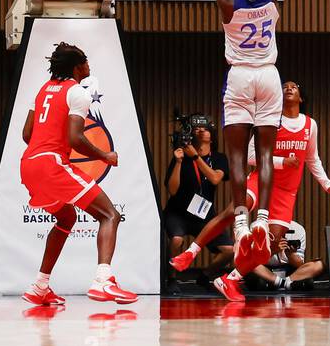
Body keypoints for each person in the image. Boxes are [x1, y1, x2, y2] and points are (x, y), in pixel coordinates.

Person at [172, 81, 330, 301]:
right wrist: (282, 161)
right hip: (260, 181)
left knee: (270, 246)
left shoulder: (310, 125)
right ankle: (190, 253)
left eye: (294, 86)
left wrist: (327, 184)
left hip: (286, 192)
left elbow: (312, 158)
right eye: (284, 87)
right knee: (233, 211)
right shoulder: (271, 122)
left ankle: (230, 279)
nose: (289, 88)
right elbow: (251, 156)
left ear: (301, 98)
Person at [18, 42, 137, 305]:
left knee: (66, 217)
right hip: (51, 164)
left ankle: (39, 286)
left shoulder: (41, 92)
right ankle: (103, 280)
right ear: (78, 66)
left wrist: (44, 150)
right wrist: (104, 155)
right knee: (109, 214)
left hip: (28, 164)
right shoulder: (77, 93)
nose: (89, 66)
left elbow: (27, 135)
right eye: (86, 62)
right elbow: (75, 138)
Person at [207, 0, 282, 274]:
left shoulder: (227, 3)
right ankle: (264, 217)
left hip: (239, 77)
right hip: (268, 77)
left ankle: (240, 218)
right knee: (266, 154)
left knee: (237, 155)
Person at [162, 121, 226, 258]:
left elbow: (215, 178)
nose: (201, 130)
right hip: (178, 213)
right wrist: (178, 162)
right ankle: (171, 276)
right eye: (197, 128)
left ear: (212, 136)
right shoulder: (181, 156)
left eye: (206, 128)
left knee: (229, 250)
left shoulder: (219, 158)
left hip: (204, 215)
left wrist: (195, 157)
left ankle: (206, 275)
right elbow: (172, 190)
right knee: (176, 240)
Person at [247, 221, 324, 292]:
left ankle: (284, 282)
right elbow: (255, 259)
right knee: (248, 262)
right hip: (265, 269)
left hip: (290, 271)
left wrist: (290, 254)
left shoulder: (298, 229)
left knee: (318, 264)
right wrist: (273, 250)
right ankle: (285, 284)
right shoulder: (258, 227)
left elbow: (300, 265)